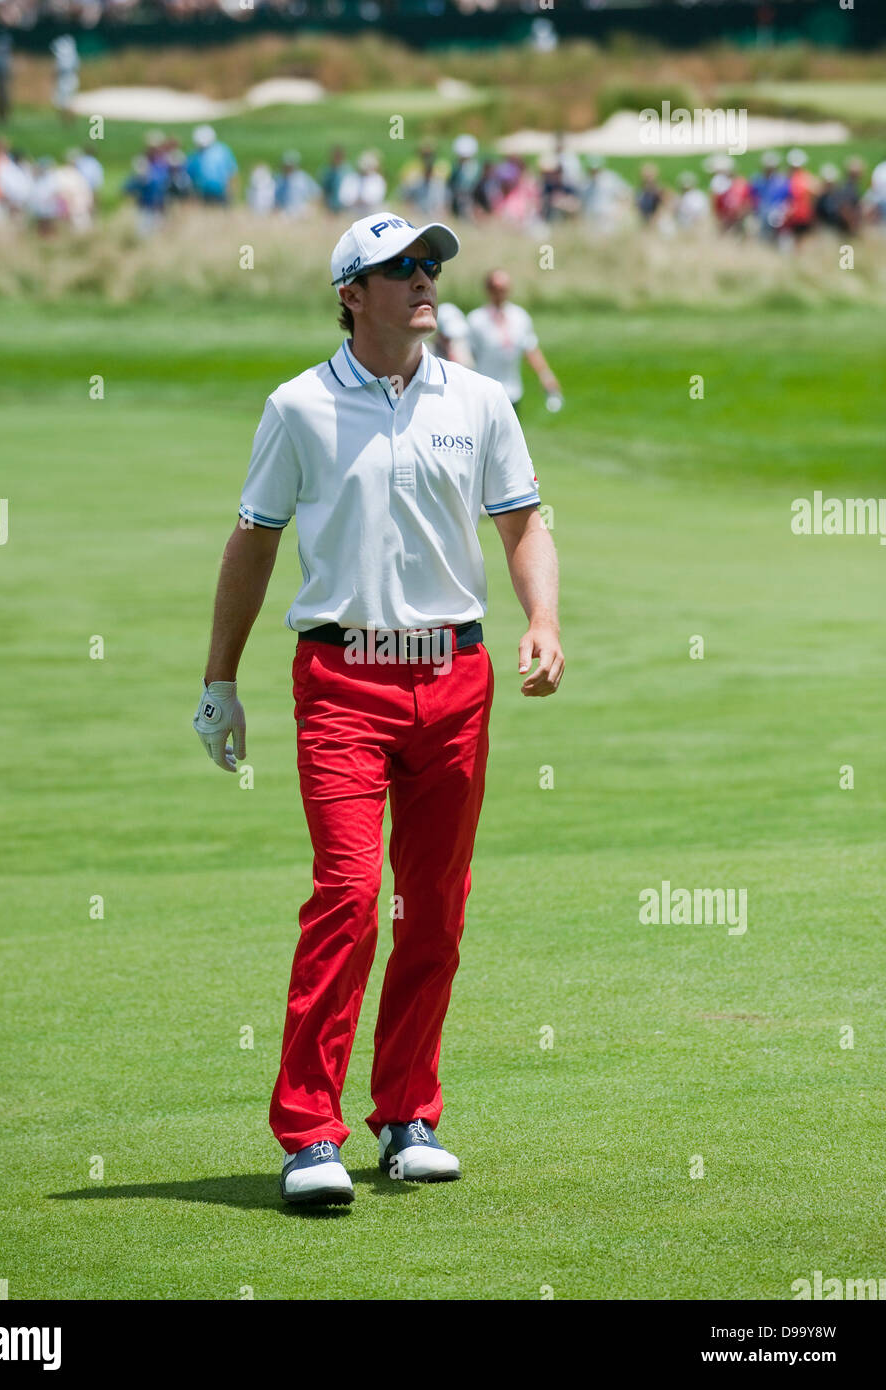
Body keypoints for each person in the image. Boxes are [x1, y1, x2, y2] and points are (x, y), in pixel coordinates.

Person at [192, 211, 564, 1206]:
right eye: (399, 268)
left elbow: (522, 520)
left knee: (434, 908)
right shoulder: (299, 407)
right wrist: (218, 678)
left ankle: (408, 1114)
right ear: (351, 293)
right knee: (351, 896)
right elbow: (254, 541)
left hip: (453, 676)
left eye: (429, 263)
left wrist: (542, 619)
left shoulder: (480, 398)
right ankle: (308, 1131)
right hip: (343, 679)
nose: (424, 278)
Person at [467, 268, 562, 417]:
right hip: (484, 393)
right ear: (488, 290)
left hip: (512, 391)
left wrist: (545, 375)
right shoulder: (476, 320)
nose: (500, 293)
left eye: (504, 288)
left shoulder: (519, 317)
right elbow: (466, 357)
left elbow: (530, 349)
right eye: (496, 288)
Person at [187, 125, 238, 206]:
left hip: (221, 192)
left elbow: (232, 173)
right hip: (203, 193)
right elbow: (190, 177)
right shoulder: (194, 155)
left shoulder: (222, 151)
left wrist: (231, 192)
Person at [273, 150, 319, 218]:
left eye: (290, 166)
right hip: (285, 211)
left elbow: (316, 194)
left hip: (301, 210)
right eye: (286, 166)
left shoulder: (303, 178)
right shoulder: (279, 179)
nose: (288, 169)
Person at [50, 35, 79, 126]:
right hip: (70, 80)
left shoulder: (65, 59)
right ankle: (66, 121)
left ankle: (68, 121)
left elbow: (58, 70)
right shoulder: (73, 57)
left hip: (66, 81)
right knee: (64, 103)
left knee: (64, 102)